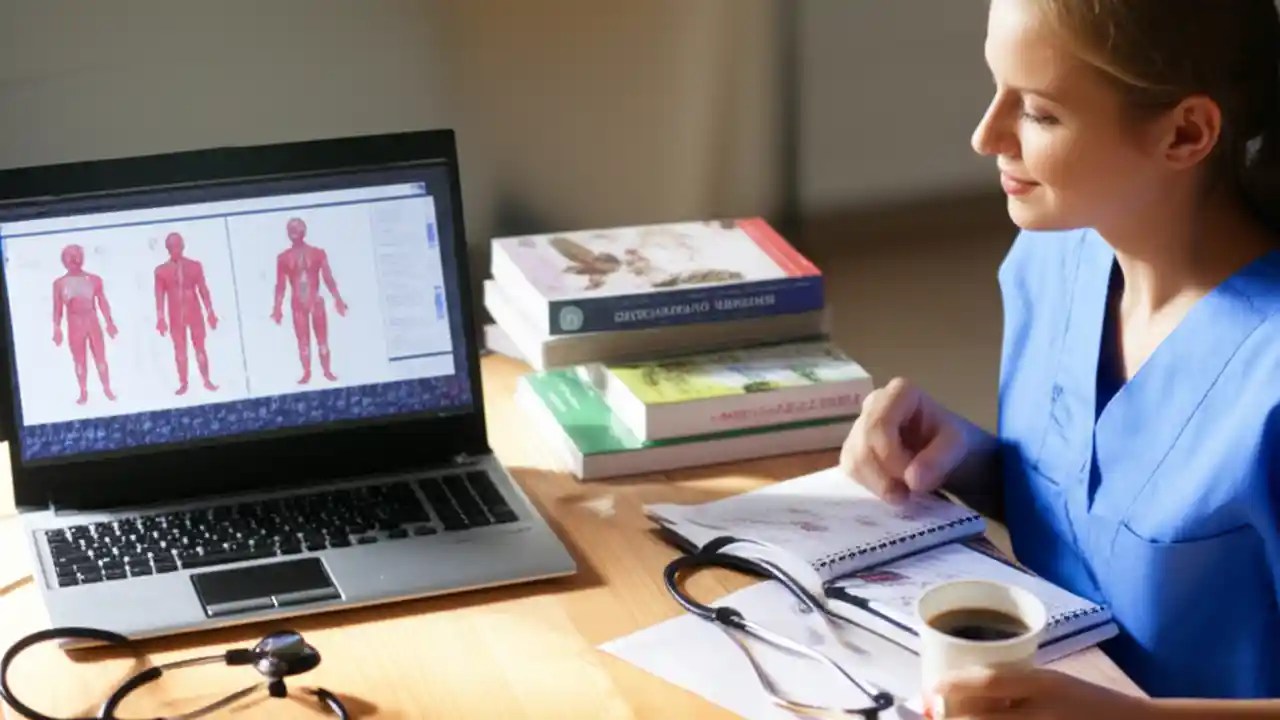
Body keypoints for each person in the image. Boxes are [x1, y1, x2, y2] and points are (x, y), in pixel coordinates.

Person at [840, 0, 1280, 716]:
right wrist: (965, 460)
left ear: (1185, 133)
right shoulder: (1053, 260)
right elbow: (1102, 519)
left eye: (1039, 114)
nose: (985, 136)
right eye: (996, 87)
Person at [271, 217, 348, 384]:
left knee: (320, 340)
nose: (294, 233)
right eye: (292, 230)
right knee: (305, 342)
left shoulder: (316, 254)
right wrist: (277, 307)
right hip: (301, 304)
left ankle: (324, 371)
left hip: (312, 302)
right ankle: (309, 372)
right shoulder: (284, 258)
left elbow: (328, 278)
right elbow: (280, 285)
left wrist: (338, 299)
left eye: (296, 229)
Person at [51, 244, 118, 405]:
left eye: (77, 256)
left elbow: (102, 301)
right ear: (64, 261)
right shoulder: (59, 283)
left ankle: (107, 388)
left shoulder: (94, 279)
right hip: (74, 323)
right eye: (70, 257)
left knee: (100, 357)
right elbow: (57, 308)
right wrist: (57, 328)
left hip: (92, 320)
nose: (74, 260)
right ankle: (83, 391)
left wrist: (109, 322)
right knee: (79, 360)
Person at [155, 232, 219, 395]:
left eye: (177, 246)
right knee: (180, 351)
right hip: (175, 314)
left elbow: (203, 289)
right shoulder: (161, 271)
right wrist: (160, 318)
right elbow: (159, 296)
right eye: (172, 247)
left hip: (194, 311)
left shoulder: (194, 266)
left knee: (200, 348)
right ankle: (183, 382)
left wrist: (210, 312)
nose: (175, 250)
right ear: (168, 249)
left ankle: (206, 379)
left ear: (182, 246)